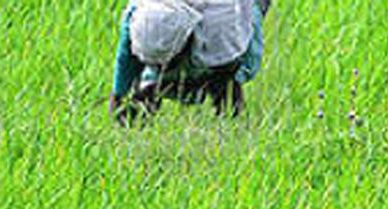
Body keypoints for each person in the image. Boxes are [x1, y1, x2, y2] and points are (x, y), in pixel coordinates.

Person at [109, 0, 270, 122]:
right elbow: (125, 55)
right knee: (148, 84)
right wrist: (118, 94)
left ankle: (232, 126)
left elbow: (249, 60)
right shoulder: (138, 11)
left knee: (226, 84)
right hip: (198, 52)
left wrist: (237, 77)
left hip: (210, 47)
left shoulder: (224, 29)